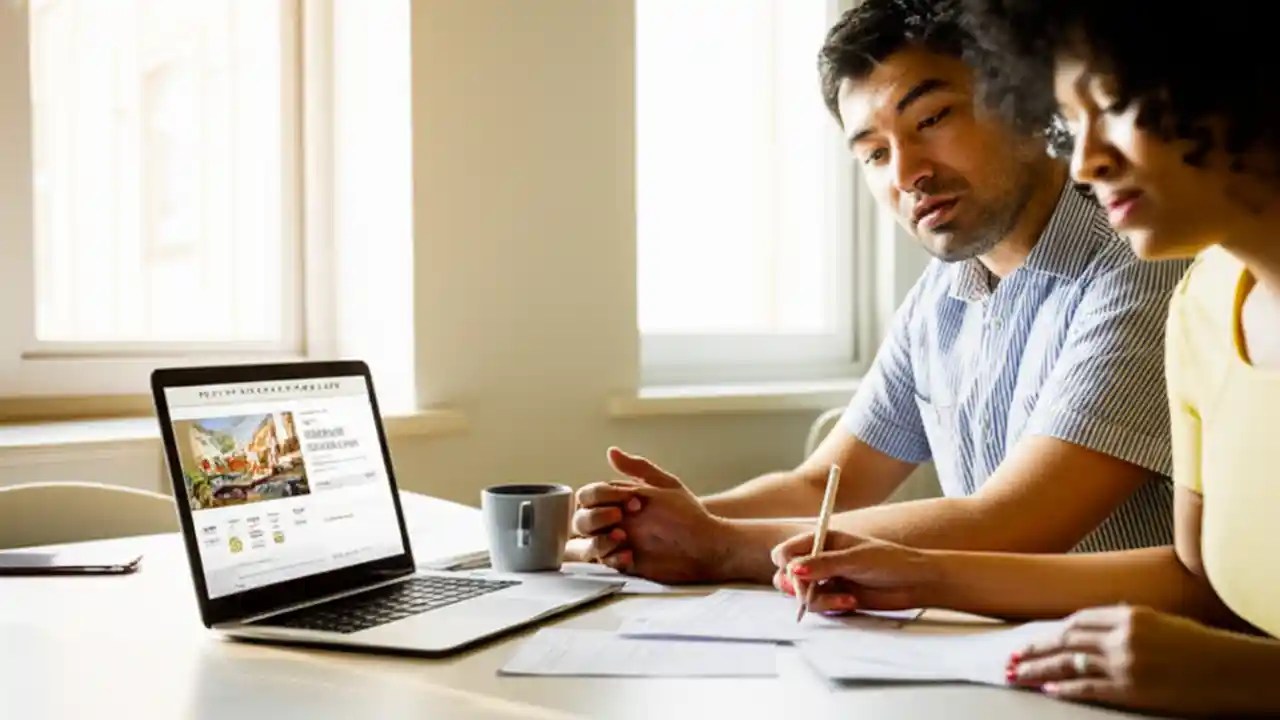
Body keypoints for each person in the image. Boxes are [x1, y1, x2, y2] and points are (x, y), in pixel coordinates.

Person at [769, 1, 1280, 714]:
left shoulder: (1148, 277)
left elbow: (1024, 520)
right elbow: (1198, 581)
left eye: (1115, 107)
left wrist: (1241, 678)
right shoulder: (1201, 306)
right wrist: (922, 575)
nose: (1085, 158)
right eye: (1075, 117)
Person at [569, 0, 1187, 586]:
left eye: (932, 119)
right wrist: (648, 522)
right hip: (985, 653)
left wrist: (718, 544)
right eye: (873, 153)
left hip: (1134, 676)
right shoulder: (940, 298)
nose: (906, 173)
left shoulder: (1141, 263)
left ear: (1026, 104)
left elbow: (1017, 521)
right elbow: (821, 487)